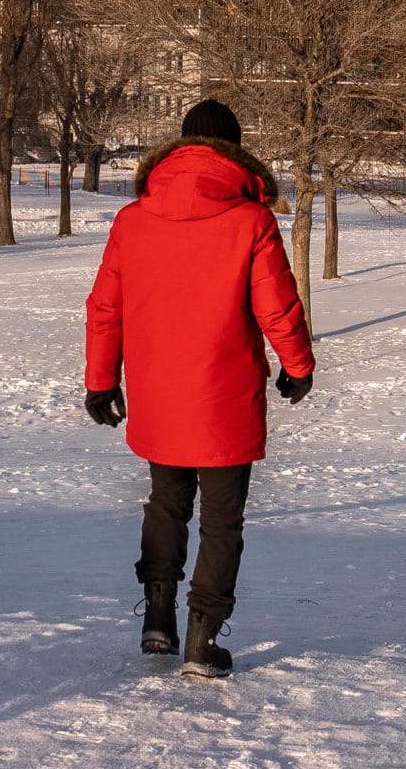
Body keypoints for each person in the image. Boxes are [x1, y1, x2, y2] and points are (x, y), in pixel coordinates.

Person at [82, 97, 315, 677]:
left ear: (180, 150)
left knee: (166, 503)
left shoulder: (134, 219)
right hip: (225, 393)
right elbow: (278, 308)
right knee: (221, 520)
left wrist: (99, 382)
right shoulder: (251, 220)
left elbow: (105, 308)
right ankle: (201, 641)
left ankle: (158, 619)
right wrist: (299, 366)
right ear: (235, 153)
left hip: (160, 392)